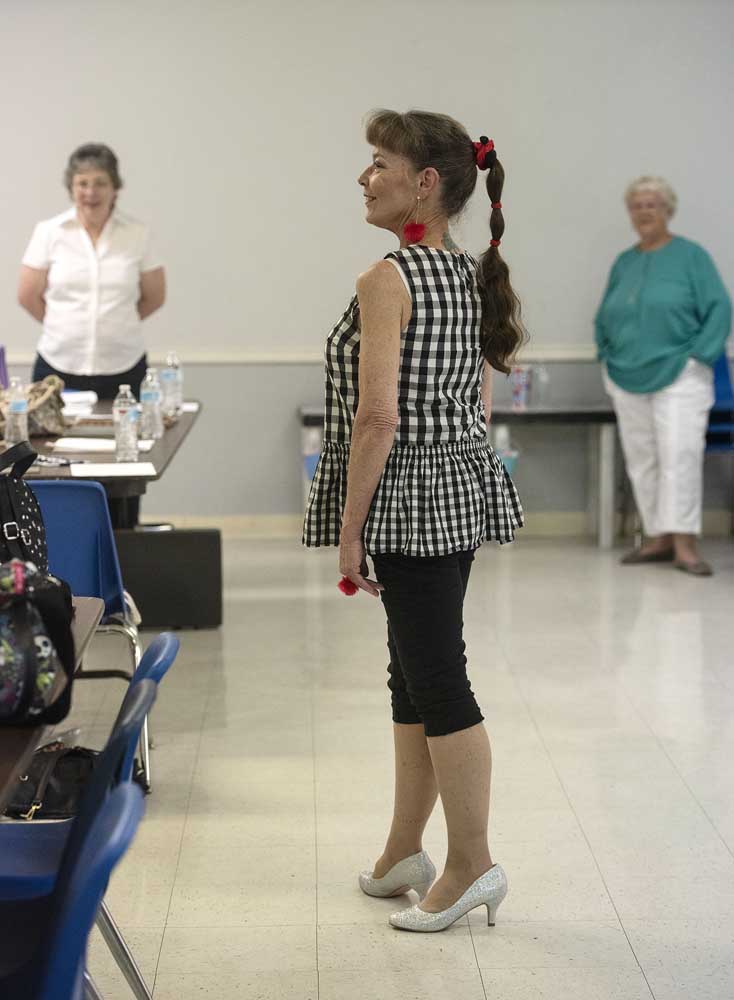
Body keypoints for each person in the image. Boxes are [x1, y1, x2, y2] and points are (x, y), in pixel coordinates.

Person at [303, 110, 524, 932]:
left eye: (379, 164)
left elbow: (376, 418)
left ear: (424, 183)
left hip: (407, 497)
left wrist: (350, 527)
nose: (366, 178)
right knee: (414, 671)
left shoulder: (388, 277)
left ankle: (472, 862)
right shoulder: (473, 271)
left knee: (437, 676)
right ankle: (404, 848)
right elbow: (482, 395)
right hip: (460, 486)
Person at [595, 176, 731, 576]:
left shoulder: (692, 257)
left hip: (680, 375)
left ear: (668, 210)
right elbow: (605, 314)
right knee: (643, 460)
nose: (644, 212)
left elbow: (720, 308)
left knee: (679, 455)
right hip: (625, 375)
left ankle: (686, 545)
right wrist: (606, 353)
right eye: (637, 205)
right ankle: (658, 538)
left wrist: (698, 357)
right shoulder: (625, 261)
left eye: (652, 204)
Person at [18, 142, 165, 399]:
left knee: (129, 438)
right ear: (71, 188)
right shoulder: (49, 232)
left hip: (124, 366)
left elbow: (154, 297)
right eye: (82, 184)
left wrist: (114, 324)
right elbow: (27, 296)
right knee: (50, 440)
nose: (91, 192)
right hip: (58, 365)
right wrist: (66, 325)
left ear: (115, 187)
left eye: (100, 183)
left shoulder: (137, 234)